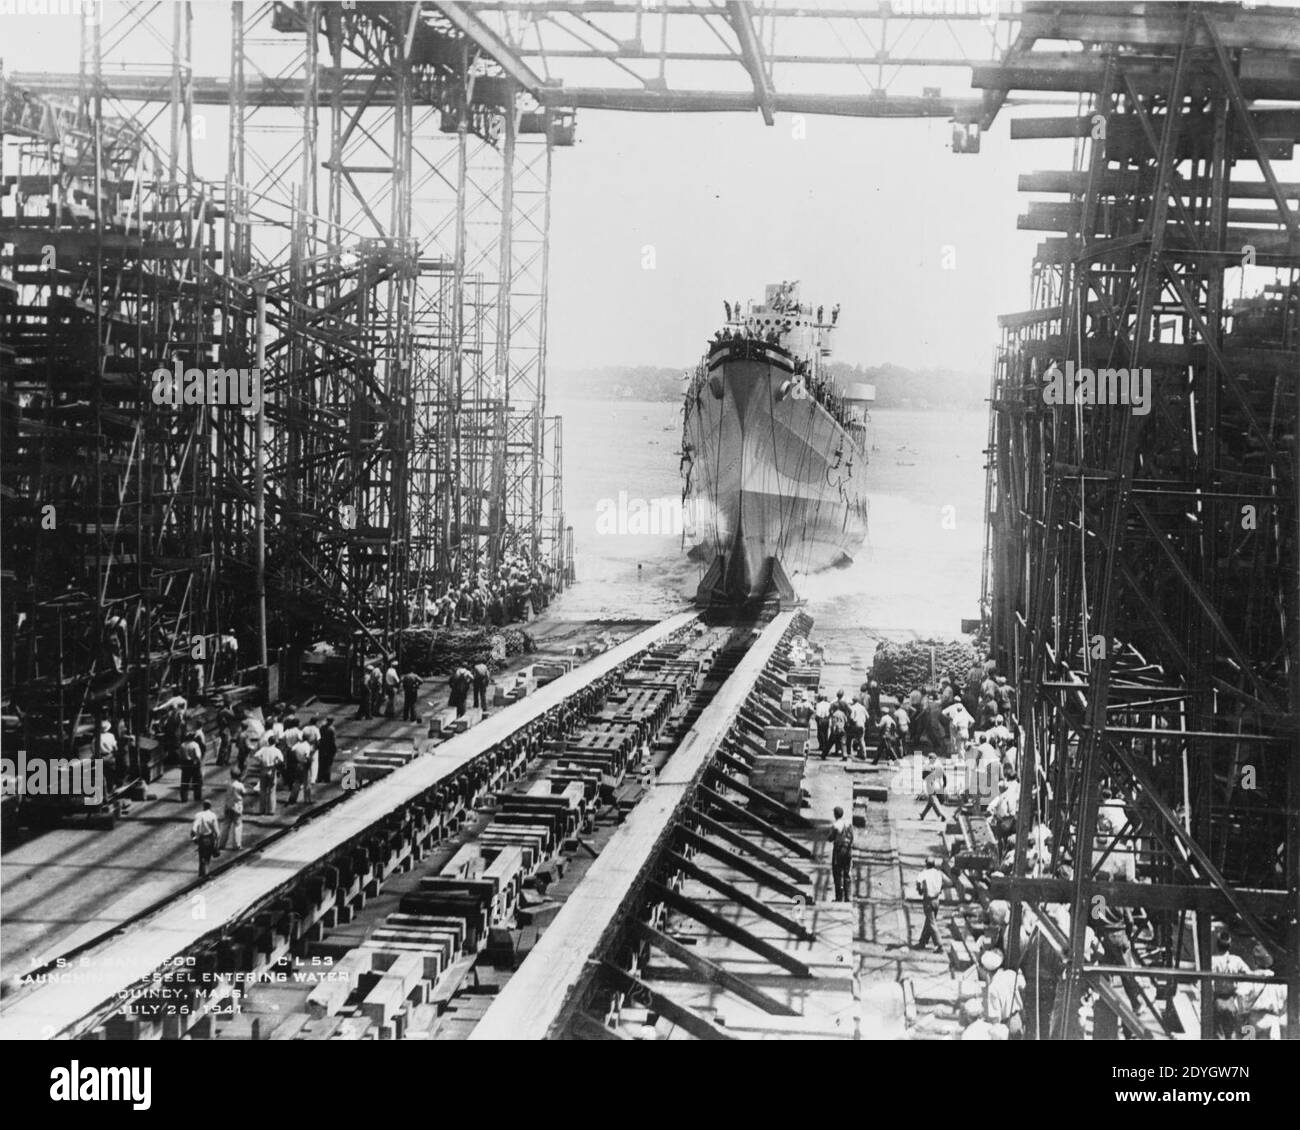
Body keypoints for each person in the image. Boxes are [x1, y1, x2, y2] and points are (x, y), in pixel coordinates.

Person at [1211, 930, 1251, 1039]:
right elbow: (1249, 974)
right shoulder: (1236, 960)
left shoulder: (1212, 961)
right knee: (1232, 1033)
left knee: (1219, 1034)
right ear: (1229, 945)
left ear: (1217, 944)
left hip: (1218, 1000)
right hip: (1231, 1001)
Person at [981, 949, 1025, 1039]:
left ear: (986, 970)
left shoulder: (993, 988)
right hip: (1019, 1018)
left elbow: (996, 1018)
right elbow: (1023, 984)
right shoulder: (1011, 974)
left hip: (1006, 1025)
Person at [914, 856, 947, 952]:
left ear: (926, 864)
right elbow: (947, 882)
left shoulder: (923, 873)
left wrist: (920, 891)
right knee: (929, 921)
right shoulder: (938, 873)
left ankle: (939, 945)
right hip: (937, 901)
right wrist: (940, 889)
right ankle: (922, 942)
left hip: (928, 901)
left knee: (932, 923)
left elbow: (918, 882)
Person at [828, 806, 854, 902]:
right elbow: (852, 837)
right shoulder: (848, 823)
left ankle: (839, 897)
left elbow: (830, 838)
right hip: (848, 850)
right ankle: (848, 897)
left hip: (838, 851)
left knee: (837, 873)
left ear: (835, 814)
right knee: (847, 873)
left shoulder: (835, 825)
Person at [191, 801, 220, 877]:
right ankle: (206, 876)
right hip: (210, 838)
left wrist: (194, 839)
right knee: (207, 859)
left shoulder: (198, 815)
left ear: (203, 806)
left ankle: (201, 875)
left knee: (201, 858)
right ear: (210, 806)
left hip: (201, 839)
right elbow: (217, 832)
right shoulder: (213, 815)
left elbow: (193, 829)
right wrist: (217, 844)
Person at [254, 741, 283, 815]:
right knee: (272, 791)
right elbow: (281, 759)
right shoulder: (276, 750)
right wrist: (276, 762)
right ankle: (271, 810)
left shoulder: (264, 749)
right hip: (272, 769)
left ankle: (262, 810)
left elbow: (256, 755)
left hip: (264, 769)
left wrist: (261, 760)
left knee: (263, 790)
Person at [219, 770, 245, 850]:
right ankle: (237, 845)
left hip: (228, 806)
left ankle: (222, 844)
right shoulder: (240, 785)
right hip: (237, 807)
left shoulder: (227, 783)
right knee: (237, 825)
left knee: (226, 825)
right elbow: (244, 793)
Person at [918, 754, 947, 821]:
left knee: (933, 801)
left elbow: (923, 776)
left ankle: (942, 815)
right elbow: (944, 777)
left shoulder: (927, 766)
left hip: (931, 785)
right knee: (930, 802)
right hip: (938, 785)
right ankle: (923, 815)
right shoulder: (939, 766)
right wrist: (944, 786)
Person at [178, 731, 204, 804]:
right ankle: (197, 797)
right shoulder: (195, 745)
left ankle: (184, 798)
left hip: (185, 764)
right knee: (196, 781)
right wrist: (199, 762)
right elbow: (198, 756)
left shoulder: (182, 745)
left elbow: (179, 755)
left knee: (185, 781)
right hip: (194, 764)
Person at [288, 737, 314, 804]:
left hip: (298, 764)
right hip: (305, 765)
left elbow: (291, 750)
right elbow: (307, 756)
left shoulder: (297, 745)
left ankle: (292, 798)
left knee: (297, 782)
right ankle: (307, 799)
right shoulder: (307, 745)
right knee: (307, 782)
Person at [316, 717, 337, 784]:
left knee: (321, 763)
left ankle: (319, 778)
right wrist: (334, 748)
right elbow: (333, 740)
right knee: (328, 763)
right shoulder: (332, 729)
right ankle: (326, 778)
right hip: (329, 747)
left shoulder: (322, 727)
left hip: (322, 747)